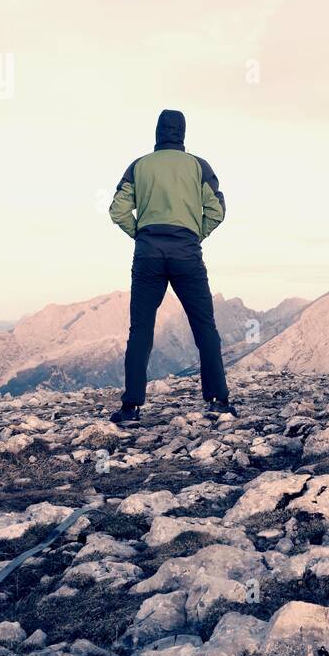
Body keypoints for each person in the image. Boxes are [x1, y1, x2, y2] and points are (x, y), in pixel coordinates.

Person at [107, 109, 233, 423]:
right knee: (204, 327)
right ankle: (217, 400)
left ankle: (130, 407)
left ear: (157, 133)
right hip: (186, 252)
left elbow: (118, 210)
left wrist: (141, 234)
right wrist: (194, 234)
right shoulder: (198, 166)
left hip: (148, 252)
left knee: (141, 330)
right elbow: (216, 209)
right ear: (183, 133)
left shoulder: (139, 166)